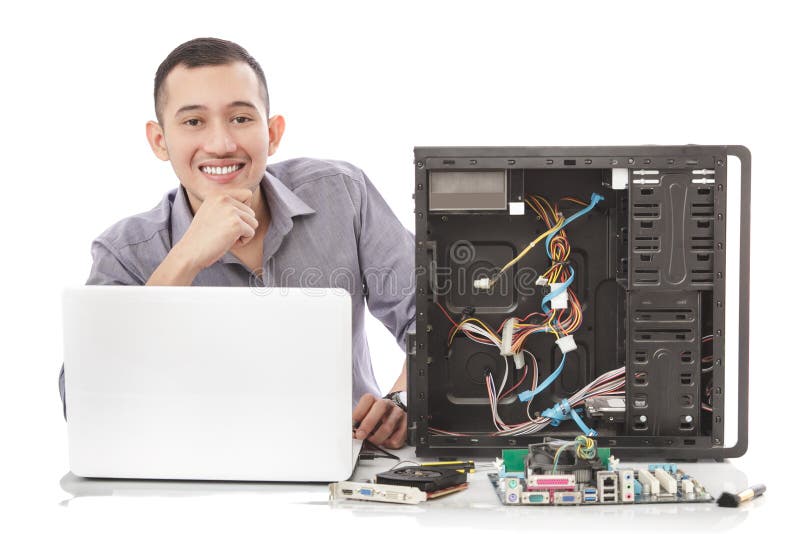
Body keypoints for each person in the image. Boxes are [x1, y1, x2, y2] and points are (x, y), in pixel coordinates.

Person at [58, 37, 415, 449]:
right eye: (193, 122)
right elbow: (83, 403)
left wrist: (404, 401)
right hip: (194, 473)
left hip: (347, 461)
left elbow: (433, 318)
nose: (222, 144)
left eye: (241, 119)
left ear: (273, 132)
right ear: (160, 141)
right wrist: (185, 259)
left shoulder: (342, 194)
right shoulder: (124, 251)